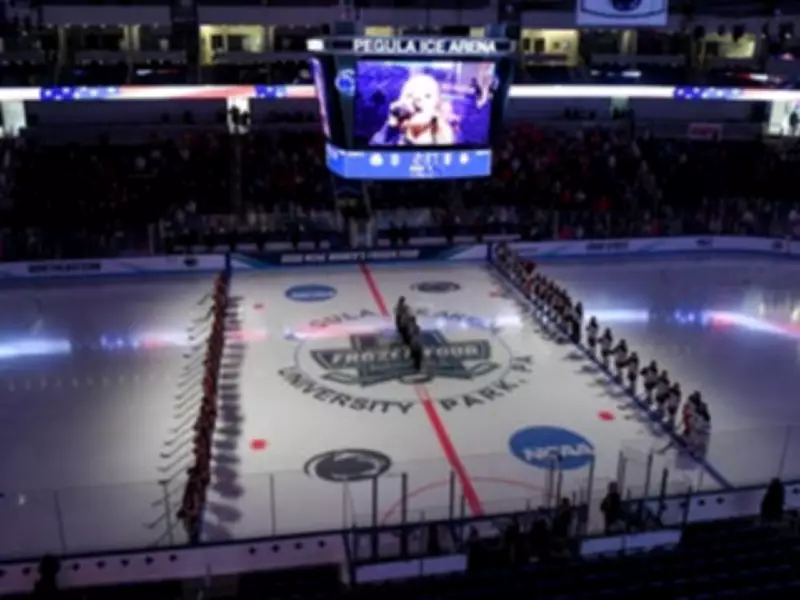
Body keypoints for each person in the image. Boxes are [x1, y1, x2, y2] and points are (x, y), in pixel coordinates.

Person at [369, 74, 456, 146]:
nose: (417, 98)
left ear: (437, 107)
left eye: (427, 96)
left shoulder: (443, 134)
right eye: (409, 95)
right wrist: (390, 128)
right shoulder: (393, 134)